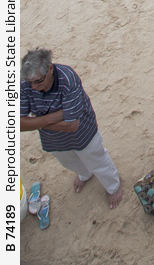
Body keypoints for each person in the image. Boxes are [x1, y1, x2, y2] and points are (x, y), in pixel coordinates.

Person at [20, 49, 123, 209]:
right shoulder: (26, 83)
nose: (33, 87)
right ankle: (85, 174)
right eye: (30, 82)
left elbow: (72, 125)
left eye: (38, 82)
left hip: (82, 134)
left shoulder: (68, 78)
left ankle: (113, 187)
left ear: (50, 69)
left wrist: (37, 122)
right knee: (69, 162)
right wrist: (53, 117)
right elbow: (18, 124)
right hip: (54, 140)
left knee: (98, 160)